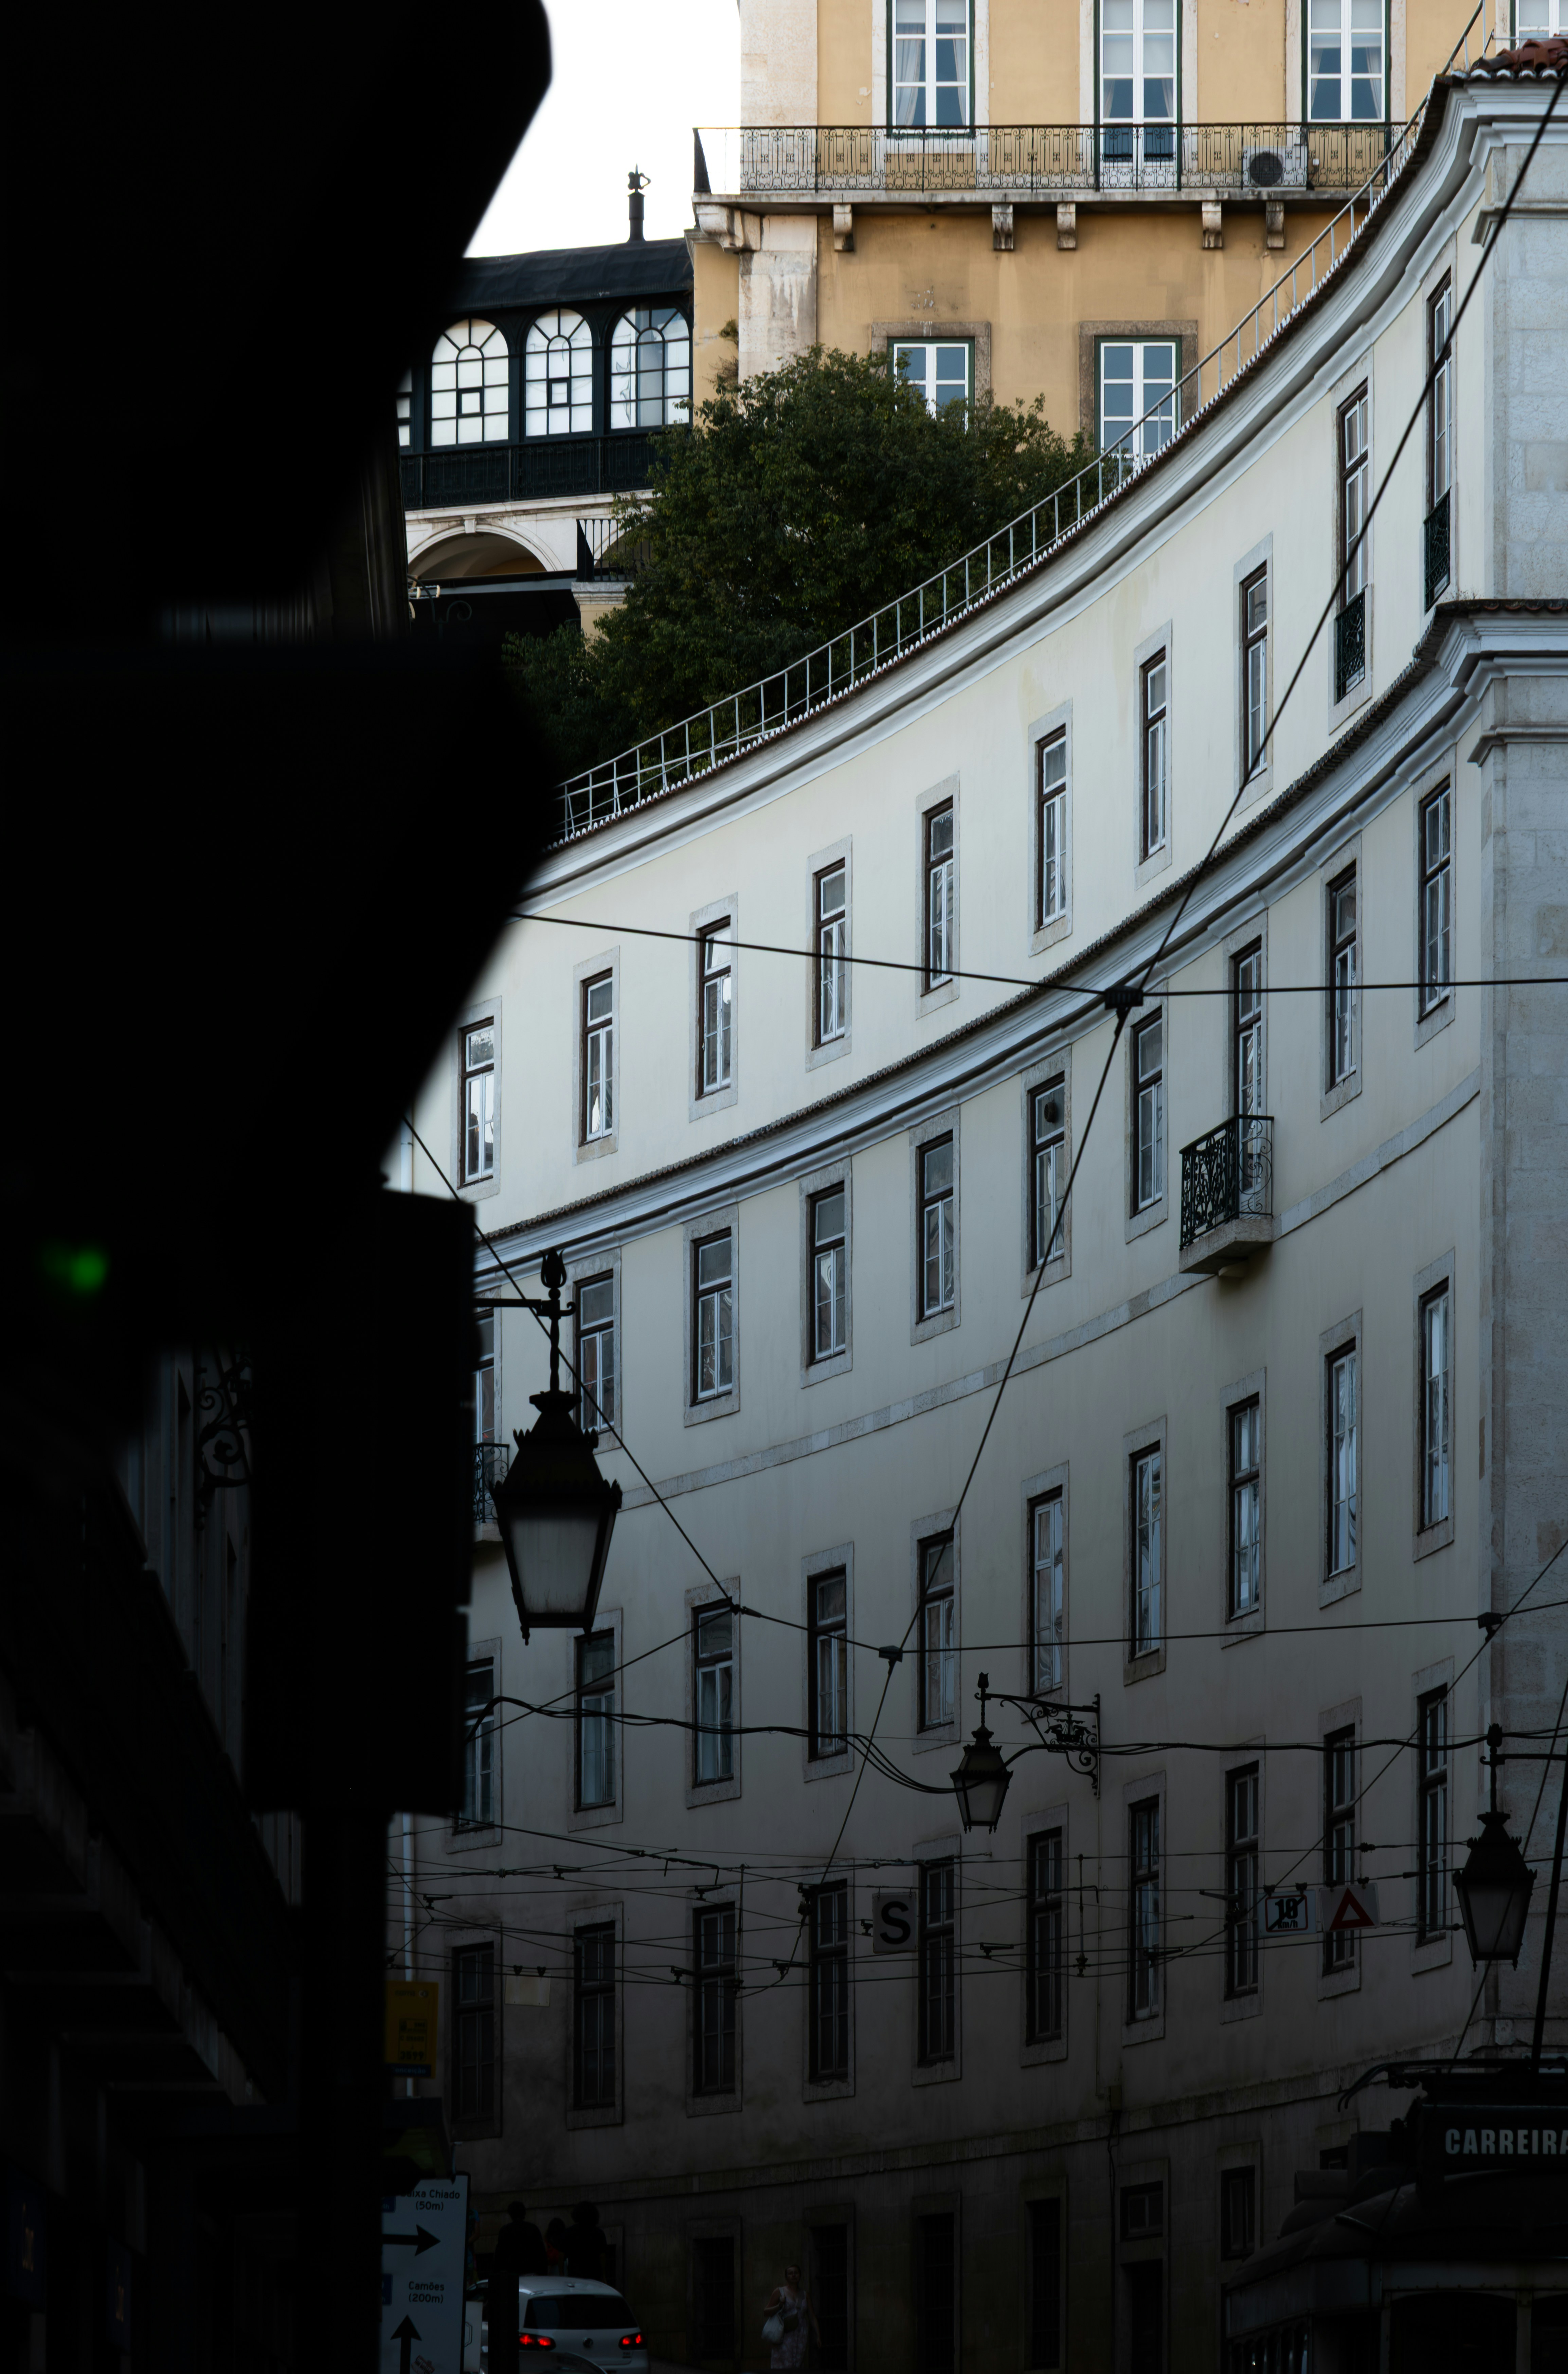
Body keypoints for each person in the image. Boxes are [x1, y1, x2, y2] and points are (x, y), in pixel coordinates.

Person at [763, 2264, 818, 2372]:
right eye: (790, 2273)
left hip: (800, 2335)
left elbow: (812, 2316)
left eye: (796, 2273)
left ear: (800, 2276)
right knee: (784, 2365)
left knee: (797, 2365)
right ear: (786, 2277)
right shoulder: (780, 2292)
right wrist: (780, 2305)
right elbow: (766, 2312)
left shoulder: (805, 2295)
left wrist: (818, 2336)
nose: (794, 2275)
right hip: (784, 2334)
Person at [491, 2200, 548, 2277]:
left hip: (512, 2273)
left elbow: (500, 2255)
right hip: (531, 2272)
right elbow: (541, 2253)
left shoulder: (505, 2230)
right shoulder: (533, 2229)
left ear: (511, 2214)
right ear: (524, 2214)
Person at [562, 2201, 608, 2282]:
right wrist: (604, 2276)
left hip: (575, 2275)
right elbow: (602, 2256)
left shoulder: (569, 2232)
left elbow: (562, 2256)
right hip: (594, 2275)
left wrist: (562, 2276)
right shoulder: (599, 2233)